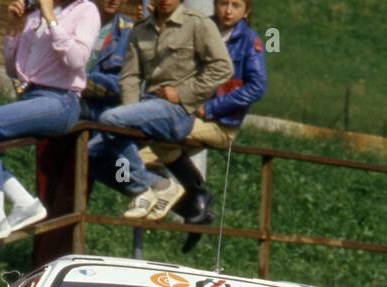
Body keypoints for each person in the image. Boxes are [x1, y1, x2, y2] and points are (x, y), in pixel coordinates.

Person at [0, 0, 101, 246]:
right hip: (31, 97)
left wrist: (51, 18)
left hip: (61, 100)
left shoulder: (86, 11)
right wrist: (14, 27)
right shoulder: (33, 16)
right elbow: (12, 69)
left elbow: (76, 60)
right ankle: (23, 201)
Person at [88, 0, 231, 221]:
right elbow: (130, 76)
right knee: (90, 156)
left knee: (109, 118)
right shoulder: (140, 29)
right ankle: (154, 185)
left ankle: (145, 187)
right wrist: (129, 115)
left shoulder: (197, 24)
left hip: (176, 112)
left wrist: (182, 93)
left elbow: (222, 67)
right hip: (146, 111)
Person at [143, 0, 265, 245]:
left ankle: (198, 193)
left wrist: (210, 108)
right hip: (189, 114)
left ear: (246, 11)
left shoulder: (250, 41)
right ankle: (193, 207)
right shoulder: (201, 26)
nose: (228, 11)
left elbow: (257, 87)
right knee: (140, 160)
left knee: (162, 136)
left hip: (221, 124)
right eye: (222, 3)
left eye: (236, 5)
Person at [79, 0, 145, 121]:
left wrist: (83, 83)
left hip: (101, 108)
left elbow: (126, 82)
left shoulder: (129, 32)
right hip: (69, 98)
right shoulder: (77, 21)